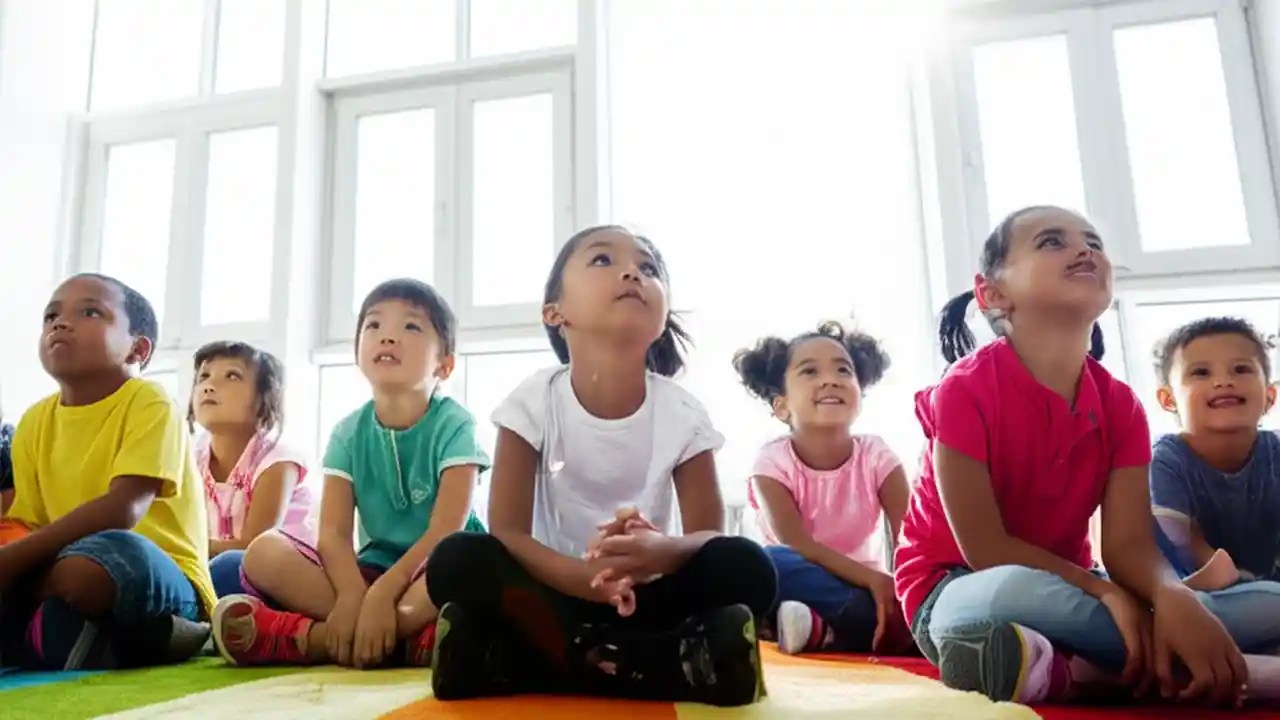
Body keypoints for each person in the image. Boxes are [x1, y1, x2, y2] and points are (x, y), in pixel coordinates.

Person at [894, 206, 1280, 708]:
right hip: (956, 590)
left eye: (1093, 242)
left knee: (1246, 606)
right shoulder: (963, 390)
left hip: (1075, 587)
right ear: (993, 294)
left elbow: (1127, 546)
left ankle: (1071, 669)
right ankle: (1240, 671)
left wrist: (1172, 597)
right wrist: (1109, 595)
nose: (1085, 250)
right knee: (1011, 593)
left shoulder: (1120, 405)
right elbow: (985, 549)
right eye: (1052, 241)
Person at [426, 226, 778, 707]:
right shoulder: (531, 401)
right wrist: (585, 581)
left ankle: (532, 661)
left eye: (649, 268)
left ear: (662, 314)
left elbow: (708, 535)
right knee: (456, 560)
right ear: (555, 313)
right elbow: (507, 531)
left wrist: (659, 552)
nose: (632, 272)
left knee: (748, 566)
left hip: (649, 598)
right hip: (553, 592)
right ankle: (664, 662)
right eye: (602, 261)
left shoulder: (683, 412)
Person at [211, 279, 488, 670]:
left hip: (437, 568)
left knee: (472, 564)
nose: (387, 337)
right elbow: (334, 535)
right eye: (374, 326)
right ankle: (407, 643)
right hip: (372, 569)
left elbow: (445, 530)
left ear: (445, 364)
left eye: (410, 327)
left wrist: (381, 597)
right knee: (262, 553)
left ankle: (316, 639)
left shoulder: (456, 425)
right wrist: (352, 596)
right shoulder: (348, 431)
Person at [0, 273, 213, 670]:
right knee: (66, 579)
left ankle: (186, 627)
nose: (60, 323)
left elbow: (123, 510)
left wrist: (12, 568)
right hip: (63, 572)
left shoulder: (150, 402)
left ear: (137, 349)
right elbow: (27, 521)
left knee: (103, 559)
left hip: (160, 575)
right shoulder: (32, 421)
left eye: (90, 311)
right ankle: (107, 640)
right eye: (51, 316)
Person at [733, 321, 913, 655]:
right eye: (810, 371)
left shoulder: (878, 456)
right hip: (803, 580)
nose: (831, 379)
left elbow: (912, 538)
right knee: (767, 562)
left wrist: (903, 590)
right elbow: (798, 545)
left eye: (844, 370)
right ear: (782, 405)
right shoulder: (770, 464)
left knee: (926, 587)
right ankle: (871, 629)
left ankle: (828, 632)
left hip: (865, 589)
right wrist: (873, 581)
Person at [1150, 317, 1280, 588]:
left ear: (1270, 396)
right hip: (1197, 590)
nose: (1223, 381)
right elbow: (1183, 541)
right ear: (1168, 399)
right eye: (1201, 373)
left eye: (1241, 369)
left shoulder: (1275, 452)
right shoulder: (1165, 461)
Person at [188, 341, 312, 597]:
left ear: (262, 399)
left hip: (286, 577)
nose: (209, 386)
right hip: (219, 568)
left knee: (227, 568)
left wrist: (194, 547)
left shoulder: (277, 459)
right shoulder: (191, 459)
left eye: (232, 376)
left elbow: (254, 547)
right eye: (204, 377)